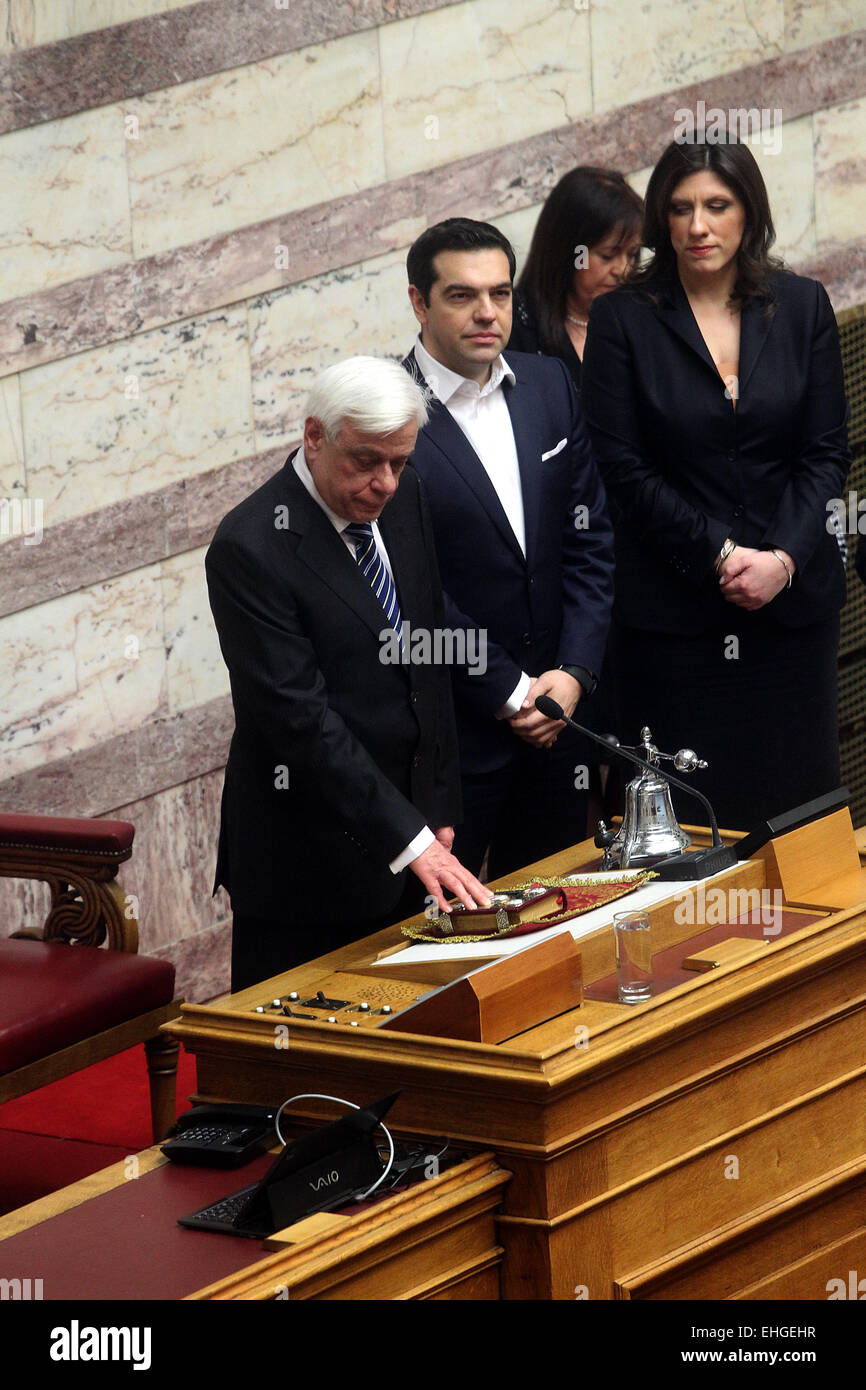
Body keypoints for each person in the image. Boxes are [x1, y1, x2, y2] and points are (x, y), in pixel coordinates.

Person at [582, 139, 851, 833]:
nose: (697, 226)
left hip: (792, 616)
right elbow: (623, 469)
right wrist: (722, 555)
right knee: (695, 827)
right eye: (679, 208)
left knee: (803, 818)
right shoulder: (623, 320)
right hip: (677, 622)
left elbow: (824, 455)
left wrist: (782, 559)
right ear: (661, 222)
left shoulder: (801, 306)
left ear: (747, 212)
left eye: (716, 205)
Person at [206, 357, 490, 991]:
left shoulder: (405, 495)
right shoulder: (250, 547)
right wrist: (410, 837)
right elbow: (300, 723)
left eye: (399, 461)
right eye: (366, 461)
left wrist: (437, 803)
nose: (385, 483)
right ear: (314, 436)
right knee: (302, 1069)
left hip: (412, 839)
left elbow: (429, 653)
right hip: (306, 864)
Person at [403, 218, 615, 880]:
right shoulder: (386, 412)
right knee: (444, 937)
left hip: (558, 722)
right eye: (462, 296)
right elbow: (402, 586)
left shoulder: (549, 382)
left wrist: (574, 674)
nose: (487, 313)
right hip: (449, 737)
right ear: (419, 302)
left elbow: (589, 541)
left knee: (555, 919)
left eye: (500, 293)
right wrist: (508, 690)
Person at [509, 166, 642, 390]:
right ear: (568, 250)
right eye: (608, 255)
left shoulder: (643, 311)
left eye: (633, 254)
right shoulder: (515, 325)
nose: (622, 269)